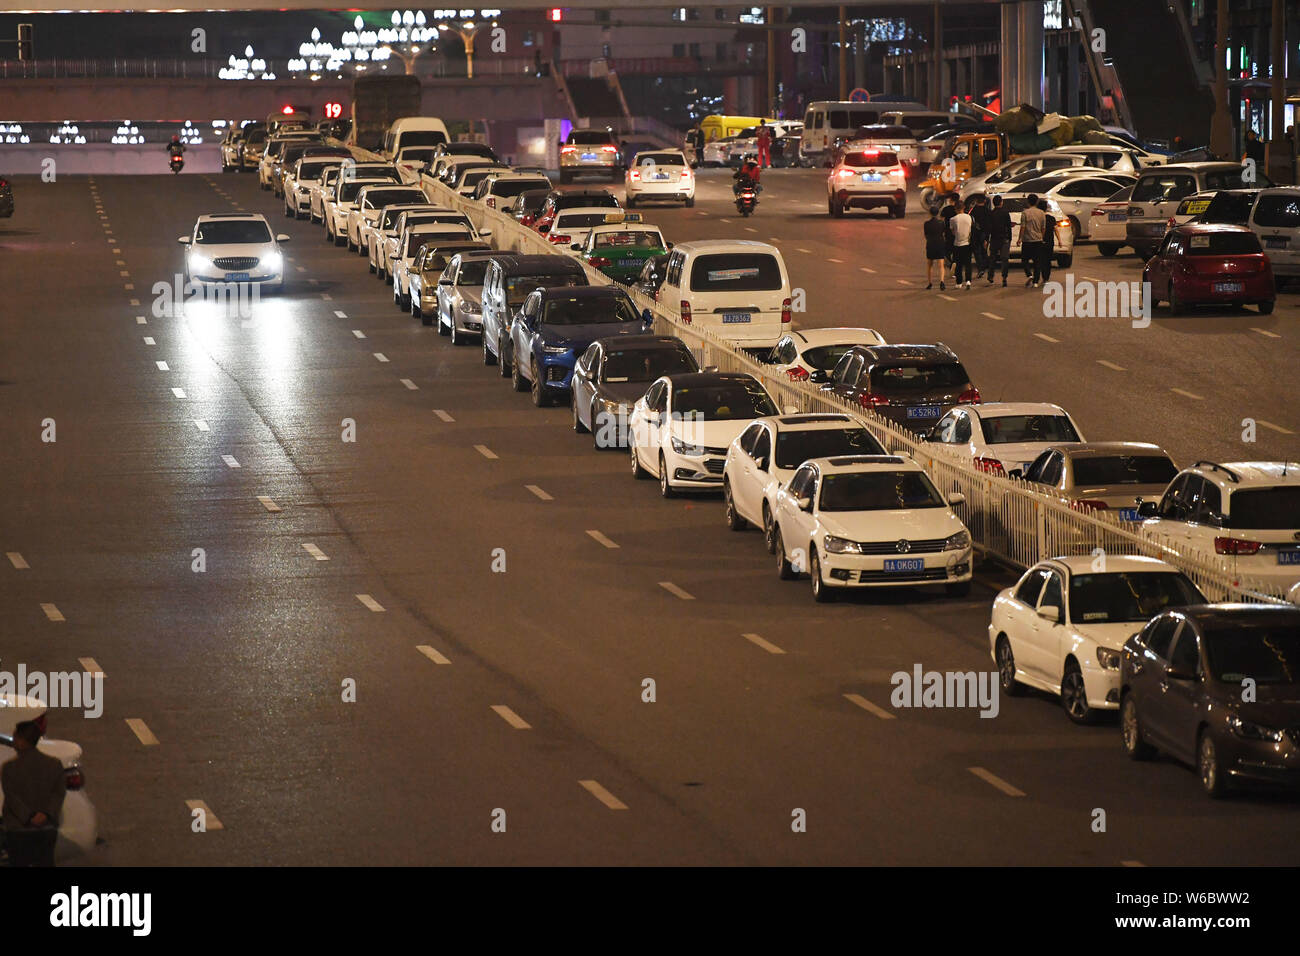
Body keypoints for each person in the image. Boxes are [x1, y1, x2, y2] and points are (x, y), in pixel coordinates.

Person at [1, 719, 66, 867]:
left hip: (19, 830)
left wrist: (28, 816)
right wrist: (45, 814)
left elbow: (12, 798)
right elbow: (58, 793)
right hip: (46, 829)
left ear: (22, 741)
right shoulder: (53, 764)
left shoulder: (9, 768)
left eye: (15, 737)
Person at [1018, 194, 1047, 287]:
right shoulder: (1042, 213)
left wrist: (1020, 238)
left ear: (1028, 202)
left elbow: (1023, 227)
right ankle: (1035, 282)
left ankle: (1029, 274)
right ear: (1037, 202)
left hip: (1027, 240)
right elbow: (1043, 228)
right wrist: (1041, 237)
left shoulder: (1025, 213)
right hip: (1038, 240)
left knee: (1024, 260)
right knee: (1037, 262)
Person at [986, 195, 1013, 286]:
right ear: (1001, 202)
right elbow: (1008, 226)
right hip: (1004, 238)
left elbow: (988, 227)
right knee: (1004, 259)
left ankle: (990, 276)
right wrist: (1010, 238)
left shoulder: (991, 213)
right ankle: (1004, 278)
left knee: (992, 258)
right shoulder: (1005, 213)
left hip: (994, 238)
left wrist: (986, 239)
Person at [950, 202, 974, 288]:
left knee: (958, 264)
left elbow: (953, 232)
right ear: (964, 207)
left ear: (956, 208)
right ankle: (968, 280)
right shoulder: (969, 217)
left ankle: (959, 282)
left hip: (957, 244)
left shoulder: (953, 219)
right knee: (968, 263)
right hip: (967, 243)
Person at [923, 205, 948, 290]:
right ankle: (942, 281)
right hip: (940, 244)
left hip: (930, 244)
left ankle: (930, 283)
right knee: (941, 264)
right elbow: (944, 233)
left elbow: (926, 235)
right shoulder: (941, 223)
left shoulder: (926, 224)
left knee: (930, 265)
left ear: (930, 213)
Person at [969, 195, 990, 279]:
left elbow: (970, 223)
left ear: (976, 201)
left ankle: (980, 268)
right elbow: (989, 225)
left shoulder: (973, 211)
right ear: (984, 201)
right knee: (984, 251)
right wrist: (987, 238)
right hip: (984, 234)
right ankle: (985, 267)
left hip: (975, 234)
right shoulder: (987, 211)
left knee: (977, 252)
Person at [940, 194, 959, 264]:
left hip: (948, 230)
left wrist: (942, 231)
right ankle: (955, 260)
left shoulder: (946, 209)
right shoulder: (959, 209)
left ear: (950, 200)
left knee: (948, 245)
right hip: (958, 230)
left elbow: (942, 220)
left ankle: (949, 260)